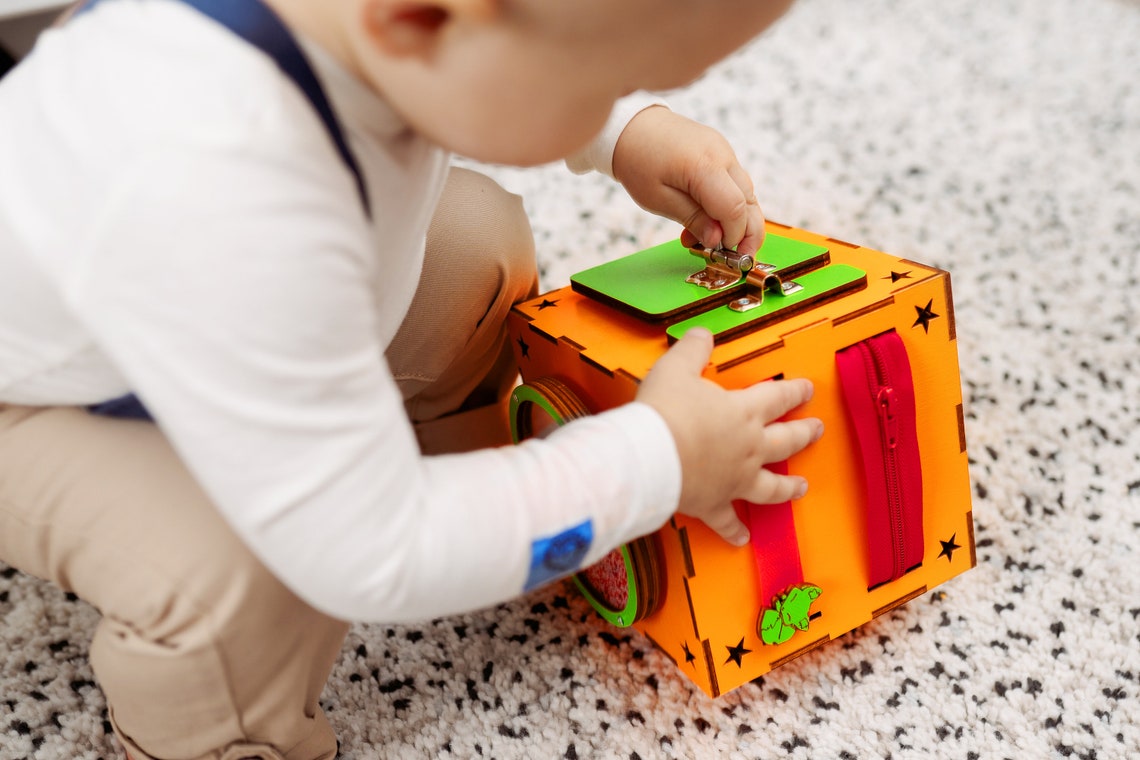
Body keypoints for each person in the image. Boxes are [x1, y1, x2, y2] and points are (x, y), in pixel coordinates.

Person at [0, 0, 820, 757]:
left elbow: (484, 55)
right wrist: (650, 462)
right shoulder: (223, 178)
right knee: (237, 567)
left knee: (469, 248)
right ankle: (229, 735)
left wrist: (620, 127)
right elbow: (364, 552)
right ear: (419, 20)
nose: (616, 93)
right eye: (605, 81)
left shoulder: (368, 27)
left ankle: (480, 509)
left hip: (187, 292)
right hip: (34, 401)